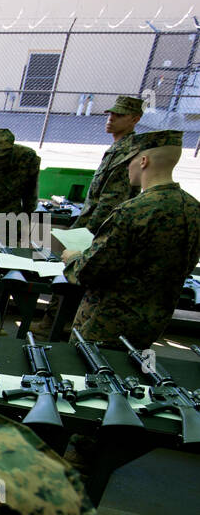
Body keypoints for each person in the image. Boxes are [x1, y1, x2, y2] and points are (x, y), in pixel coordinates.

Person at [62, 129, 200, 351]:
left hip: (106, 323)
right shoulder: (193, 209)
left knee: (88, 368)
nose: (127, 167)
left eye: (130, 161)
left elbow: (91, 271)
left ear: (143, 161)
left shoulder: (132, 211)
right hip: (152, 322)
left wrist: (73, 258)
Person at [78, 95, 143, 233]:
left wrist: (85, 234)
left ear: (135, 119)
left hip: (100, 229)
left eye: (119, 115)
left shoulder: (127, 152)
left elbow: (111, 202)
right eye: (111, 114)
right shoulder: (119, 147)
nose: (111, 119)